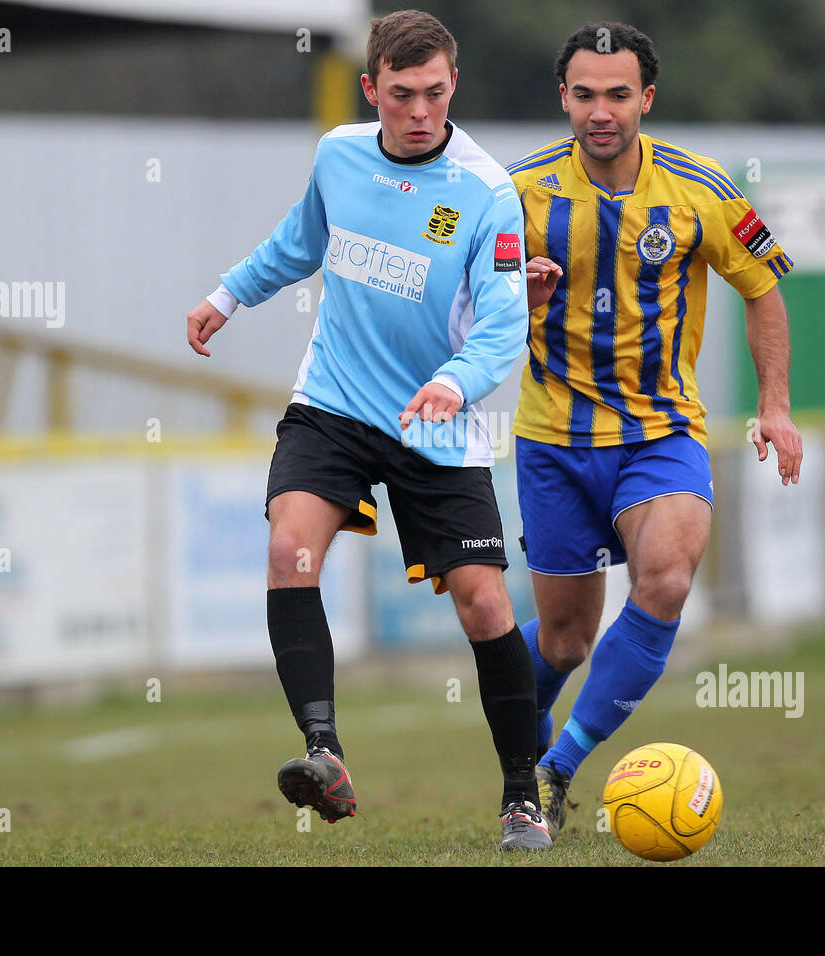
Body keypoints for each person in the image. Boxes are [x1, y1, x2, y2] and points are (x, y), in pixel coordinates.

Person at [185, 9, 550, 851]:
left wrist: (453, 385)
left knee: (485, 602)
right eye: (400, 95)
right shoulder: (339, 155)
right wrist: (227, 295)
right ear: (370, 89)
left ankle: (522, 798)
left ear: (452, 85)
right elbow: (299, 243)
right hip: (337, 406)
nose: (418, 111)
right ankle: (324, 754)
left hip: (436, 420)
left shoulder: (488, 192)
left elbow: (502, 325)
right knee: (288, 551)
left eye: (432, 93)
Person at [506, 21, 804, 839]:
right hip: (553, 441)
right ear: (563, 97)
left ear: (647, 98)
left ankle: (559, 767)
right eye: (584, 94)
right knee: (563, 640)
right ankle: (514, 741)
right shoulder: (516, 191)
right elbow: (463, 307)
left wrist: (774, 405)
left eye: (618, 94)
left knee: (667, 579)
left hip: (660, 431)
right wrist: (514, 299)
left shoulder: (703, 188)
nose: (601, 111)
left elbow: (764, 287)